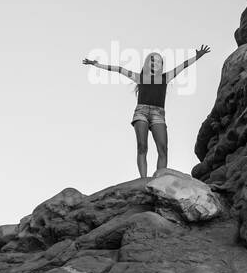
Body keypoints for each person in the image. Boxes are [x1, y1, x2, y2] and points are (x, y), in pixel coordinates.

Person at [83, 46, 211, 178]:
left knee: (163, 149)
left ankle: (159, 179)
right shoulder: (139, 77)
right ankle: (143, 179)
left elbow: (183, 66)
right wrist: (96, 64)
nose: (155, 63)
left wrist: (197, 56)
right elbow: (118, 69)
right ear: (147, 63)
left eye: (158, 61)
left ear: (161, 65)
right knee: (142, 146)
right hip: (141, 112)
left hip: (158, 114)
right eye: (152, 60)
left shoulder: (166, 77)